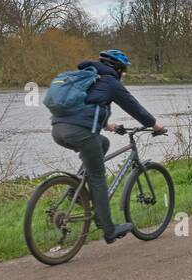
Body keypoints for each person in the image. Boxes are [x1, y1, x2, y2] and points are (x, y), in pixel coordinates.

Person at [50, 49, 166, 244]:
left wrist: (108, 126)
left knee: (103, 143)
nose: (124, 75)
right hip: (80, 132)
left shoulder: (88, 78)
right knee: (98, 179)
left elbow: (85, 106)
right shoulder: (110, 82)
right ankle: (109, 229)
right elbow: (134, 107)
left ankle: (75, 188)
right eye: (124, 70)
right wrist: (155, 125)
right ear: (118, 69)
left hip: (58, 130)